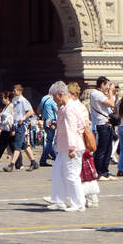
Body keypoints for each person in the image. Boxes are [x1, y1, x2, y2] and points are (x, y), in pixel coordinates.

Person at [47, 81, 87, 212]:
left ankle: (79, 203)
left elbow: (72, 128)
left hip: (71, 147)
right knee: (58, 173)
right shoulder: (65, 108)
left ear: (60, 94)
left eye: (54, 97)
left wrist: (72, 148)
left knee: (72, 175)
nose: (54, 100)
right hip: (64, 147)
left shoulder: (69, 109)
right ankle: (59, 200)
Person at [3, 83, 38, 172]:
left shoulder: (23, 101)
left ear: (19, 91)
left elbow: (31, 111)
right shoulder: (14, 100)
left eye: (14, 90)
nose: (13, 92)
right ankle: (34, 162)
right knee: (24, 145)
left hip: (21, 125)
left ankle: (12, 164)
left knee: (17, 145)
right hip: (15, 125)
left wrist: (23, 118)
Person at [90, 76, 116, 180]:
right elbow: (111, 104)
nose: (108, 88)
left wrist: (110, 93)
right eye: (107, 85)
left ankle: (105, 171)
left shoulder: (99, 94)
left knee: (108, 149)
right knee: (102, 149)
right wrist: (110, 92)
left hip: (107, 123)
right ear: (102, 84)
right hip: (101, 124)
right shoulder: (96, 94)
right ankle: (99, 172)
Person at [38, 88, 58, 167]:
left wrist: (43, 115)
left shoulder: (43, 98)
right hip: (52, 121)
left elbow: (39, 110)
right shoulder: (51, 100)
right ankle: (43, 160)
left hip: (45, 120)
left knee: (50, 140)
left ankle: (56, 158)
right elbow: (57, 110)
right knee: (50, 141)